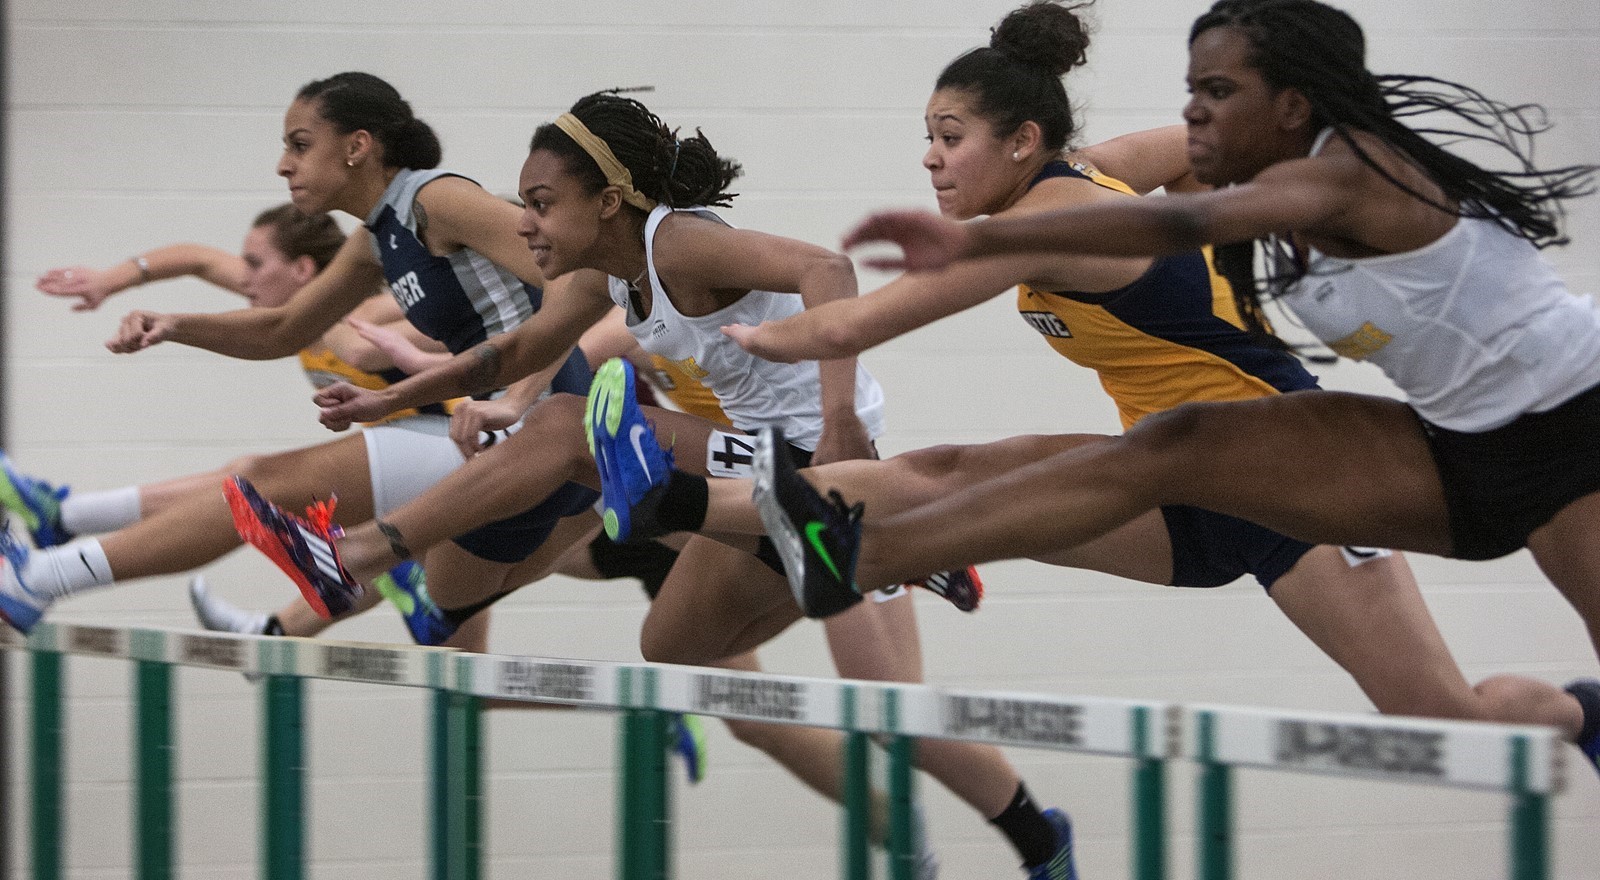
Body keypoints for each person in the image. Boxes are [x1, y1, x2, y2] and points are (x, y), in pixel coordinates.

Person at [228, 90, 1069, 878]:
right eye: (522, 204)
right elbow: (519, 352)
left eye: (541, 202)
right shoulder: (609, 278)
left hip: (831, 463)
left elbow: (828, 271)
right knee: (667, 649)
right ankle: (894, 551)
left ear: (606, 201)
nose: (524, 225)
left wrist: (843, 419)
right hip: (755, 464)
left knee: (885, 703)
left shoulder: (679, 243)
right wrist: (401, 396)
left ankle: (1036, 832)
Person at [747, 0, 1600, 769]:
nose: (1193, 108)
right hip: (1456, 444)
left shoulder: (1345, 170)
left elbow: (1180, 217)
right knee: (1150, 446)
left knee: (1442, 726)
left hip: (1574, 422)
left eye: (1219, 91)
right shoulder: (1212, 177)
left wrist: (973, 250)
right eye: (1192, 88)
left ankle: (1579, 718)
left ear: (1293, 106)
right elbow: (1168, 193)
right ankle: (861, 555)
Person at [0, 201, 496, 646]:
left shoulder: (369, 305)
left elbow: (386, 341)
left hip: (444, 456)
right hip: (398, 464)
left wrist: (329, 322)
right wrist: (114, 278)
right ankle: (66, 520)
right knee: (259, 483)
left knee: (259, 483)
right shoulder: (288, 292)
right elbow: (196, 257)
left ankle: (62, 522)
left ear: (303, 271)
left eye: (256, 265)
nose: (244, 280)